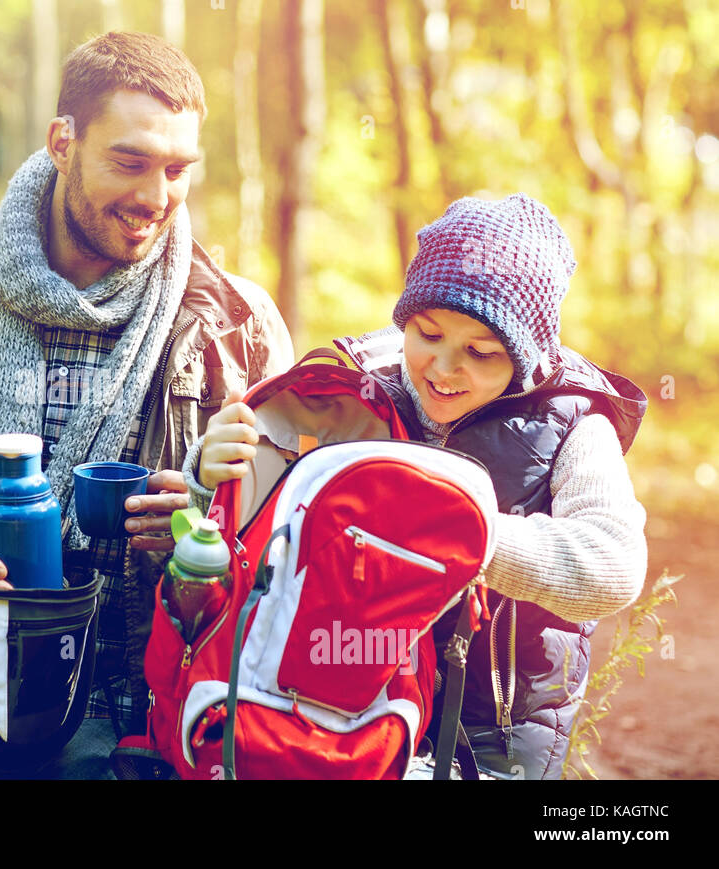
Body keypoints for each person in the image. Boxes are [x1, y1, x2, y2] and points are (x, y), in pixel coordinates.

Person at [0, 31, 293, 776]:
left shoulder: (239, 326)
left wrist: (204, 538)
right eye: (129, 161)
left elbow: (286, 570)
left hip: (136, 708)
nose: (153, 197)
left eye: (177, 170)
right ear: (61, 142)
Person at [190, 193, 648, 779]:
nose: (442, 367)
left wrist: (466, 538)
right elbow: (256, 523)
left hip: (498, 732)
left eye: (480, 352)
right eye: (427, 333)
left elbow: (614, 566)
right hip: (352, 704)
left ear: (528, 354)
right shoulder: (357, 388)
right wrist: (210, 473)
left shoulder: (575, 424)